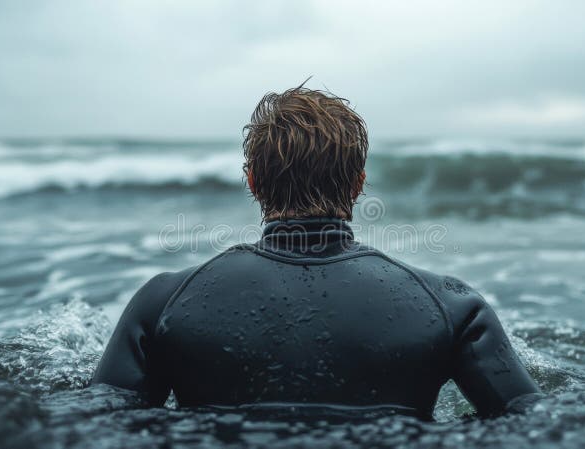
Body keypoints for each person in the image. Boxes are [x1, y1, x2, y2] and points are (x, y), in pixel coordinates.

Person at [92, 85, 542, 420]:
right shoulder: (450, 308)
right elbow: (532, 424)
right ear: (358, 184)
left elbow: (100, 424)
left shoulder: (164, 303)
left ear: (253, 181)